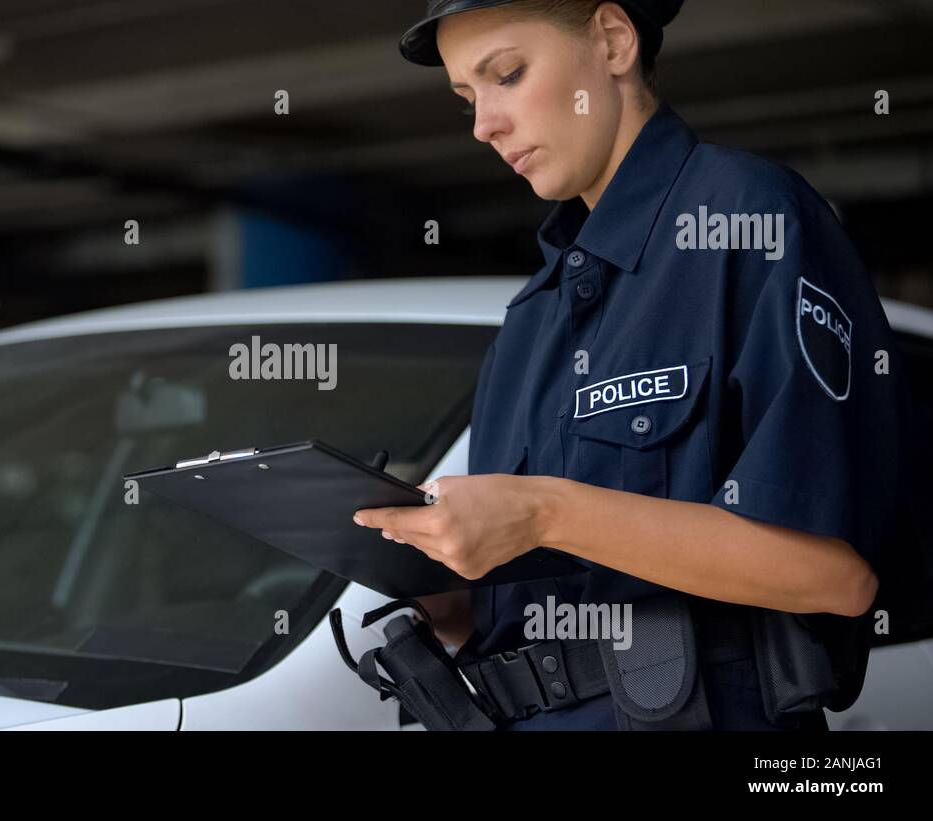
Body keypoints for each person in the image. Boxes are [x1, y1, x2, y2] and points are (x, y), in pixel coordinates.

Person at [350, 0, 916, 730]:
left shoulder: (747, 220)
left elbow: (833, 576)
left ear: (613, 41)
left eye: (507, 75)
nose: (483, 124)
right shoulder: (532, 316)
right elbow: (512, 614)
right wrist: (430, 573)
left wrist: (543, 511)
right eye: (468, 97)